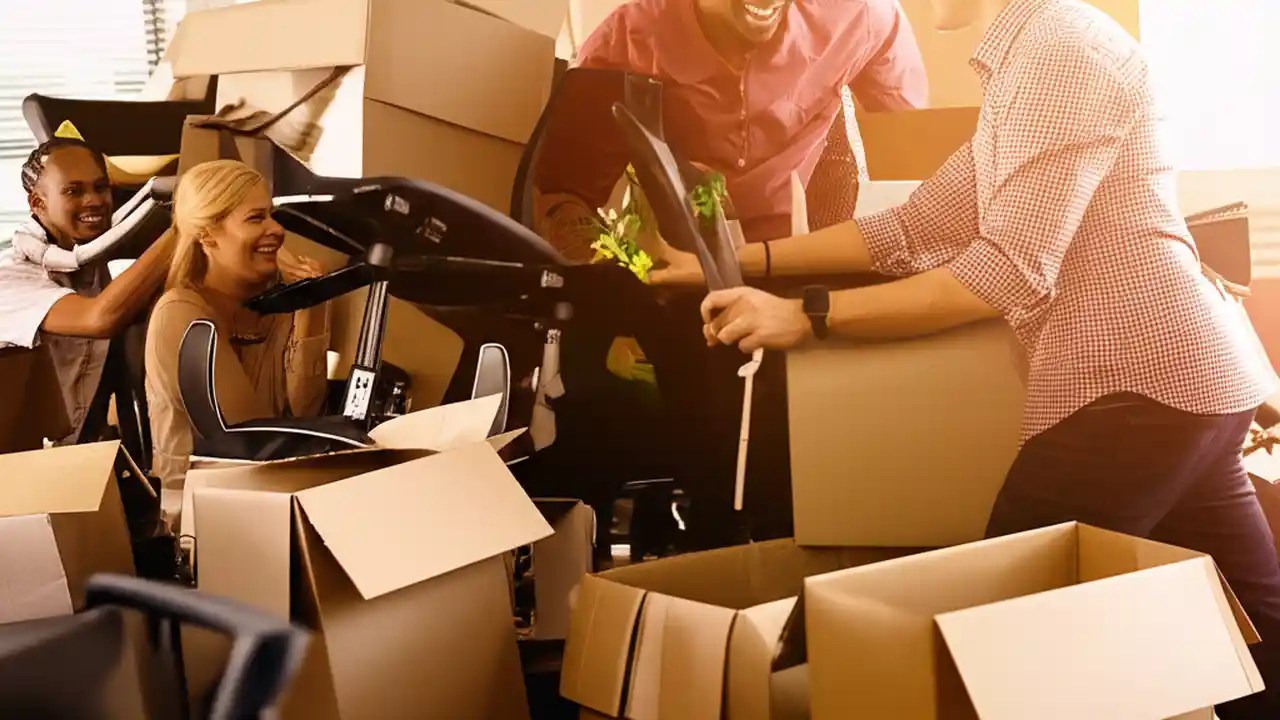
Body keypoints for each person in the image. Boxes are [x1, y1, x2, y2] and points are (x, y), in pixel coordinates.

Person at [655, 0, 1280, 714]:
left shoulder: (1062, 54)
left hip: (1136, 388)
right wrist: (742, 261)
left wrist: (809, 317)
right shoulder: (1029, 55)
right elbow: (924, 221)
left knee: (998, 645)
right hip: (1182, 386)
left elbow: (1009, 268)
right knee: (1258, 637)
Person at [537, 0, 929, 256]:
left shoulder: (861, 16)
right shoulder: (626, 38)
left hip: (806, 242)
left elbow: (918, 150)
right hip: (686, 248)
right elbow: (562, 194)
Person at [144, 159, 330, 502]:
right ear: (207, 235)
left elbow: (306, 414)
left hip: (279, 492)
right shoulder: (180, 315)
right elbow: (251, 444)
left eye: (272, 215)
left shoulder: (280, 301)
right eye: (256, 218)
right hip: (200, 513)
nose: (276, 229)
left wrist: (311, 305)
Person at [0, 137, 176, 447]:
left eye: (100, 187)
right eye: (73, 191)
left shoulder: (89, 258)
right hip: (19, 468)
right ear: (37, 203)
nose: (94, 200)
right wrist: (184, 229)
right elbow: (98, 319)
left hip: (77, 454)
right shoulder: (11, 276)